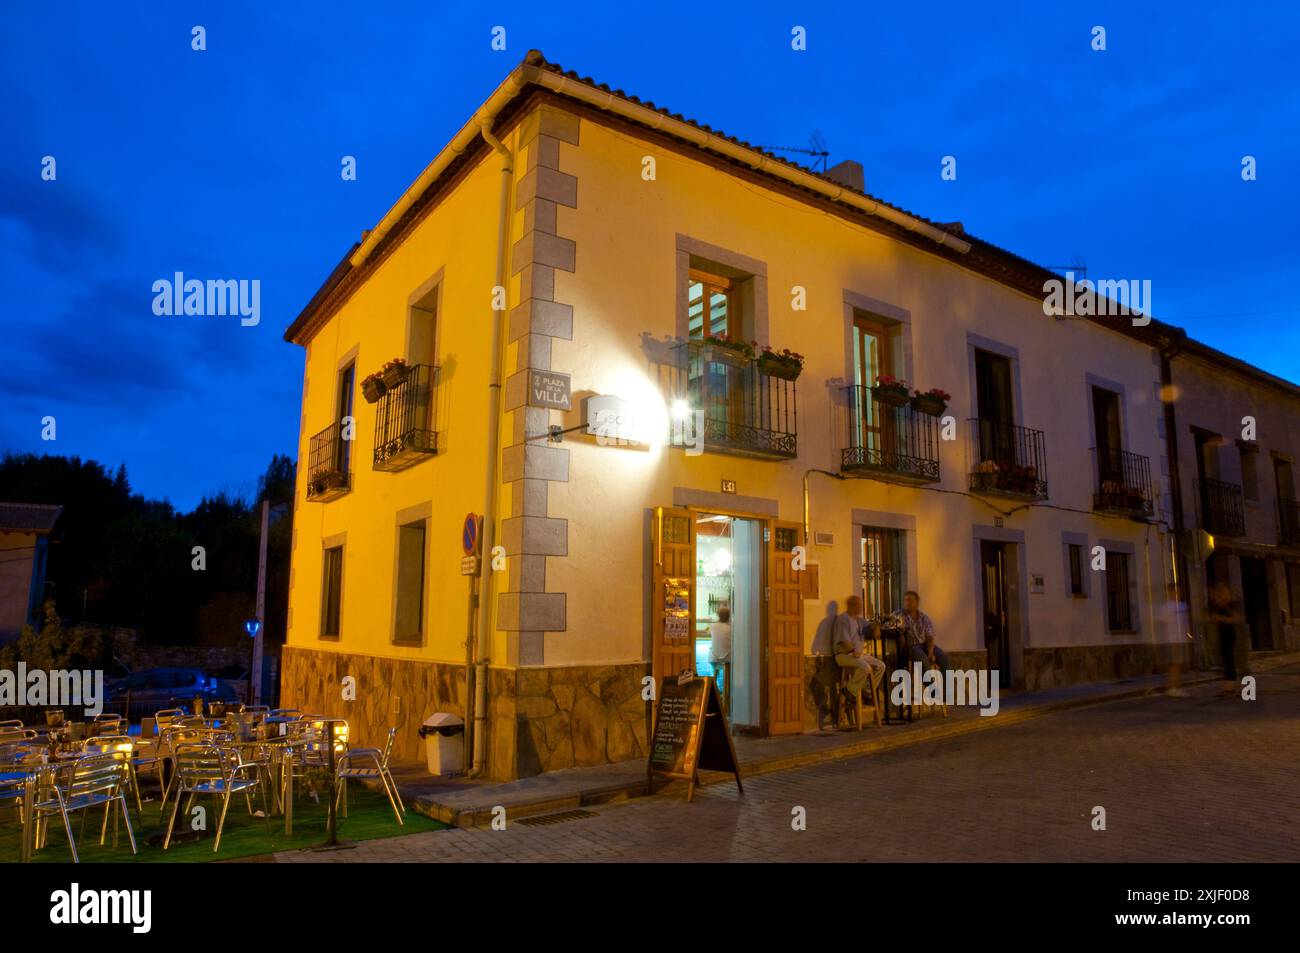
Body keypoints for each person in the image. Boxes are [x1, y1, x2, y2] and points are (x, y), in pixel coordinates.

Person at [832, 596, 885, 717]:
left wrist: (876, 627)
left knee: (880, 666)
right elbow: (844, 640)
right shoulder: (843, 619)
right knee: (865, 667)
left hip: (858, 654)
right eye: (858, 605)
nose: (860, 607)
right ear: (851, 605)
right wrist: (853, 650)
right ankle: (849, 690)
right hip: (844, 654)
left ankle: (866, 692)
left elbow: (871, 626)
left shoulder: (859, 620)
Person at [894, 590, 950, 674]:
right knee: (921, 656)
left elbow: (930, 636)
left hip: (925, 645)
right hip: (911, 647)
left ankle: (947, 686)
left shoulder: (924, 618)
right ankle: (930, 685)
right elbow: (890, 624)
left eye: (910, 600)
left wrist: (930, 652)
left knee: (944, 657)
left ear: (917, 602)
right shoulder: (899, 615)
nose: (907, 603)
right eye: (906, 600)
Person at [1207, 582, 1240, 681]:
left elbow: (1236, 619)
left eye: (1221, 593)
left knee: (1229, 660)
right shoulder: (1218, 606)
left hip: (1229, 634)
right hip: (1221, 634)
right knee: (1226, 660)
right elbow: (1212, 618)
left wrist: (1221, 619)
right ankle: (1229, 688)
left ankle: (1231, 687)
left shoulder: (1230, 605)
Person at [708, 603, 732, 692]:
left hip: (713, 658)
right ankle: (727, 692)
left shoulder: (712, 626)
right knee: (729, 674)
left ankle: (714, 690)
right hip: (727, 659)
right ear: (729, 616)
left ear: (718, 616)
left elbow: (709, 634)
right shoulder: (731, 627)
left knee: (715, 672)